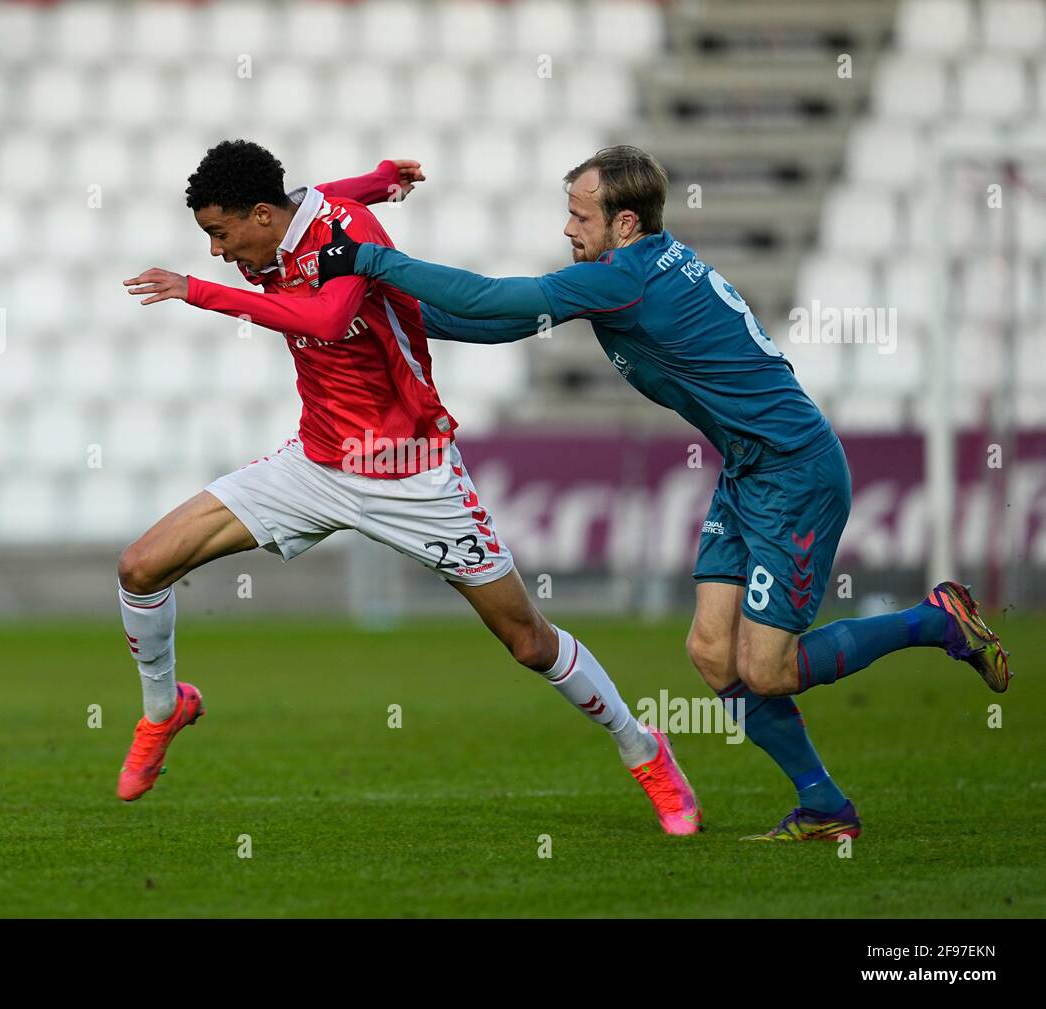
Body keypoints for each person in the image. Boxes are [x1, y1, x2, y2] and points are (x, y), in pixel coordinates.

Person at [316, 144, 1012, 841]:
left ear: (623, 223)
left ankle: (935, 620)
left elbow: (497, 298)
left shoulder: (626, 278)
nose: (567, 229)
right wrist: (391, 311)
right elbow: (500, 321)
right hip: (749, 467)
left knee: (767, 670)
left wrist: (373, 262)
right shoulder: (631, 271)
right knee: (713, 652)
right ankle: (825, 805)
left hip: (795, 472)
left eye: (578, 215)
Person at [114, 140, 701, 835]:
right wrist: (379, 179)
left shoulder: (345, 238)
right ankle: (165, 708)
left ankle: (645, 750)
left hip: (412, 473)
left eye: (220, 234)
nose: (216, 251)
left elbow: (328, 320)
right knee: (141, 566)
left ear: (263, 216)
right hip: (316, 463)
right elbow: (324, 193)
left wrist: (198, 292)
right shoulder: (296, 213)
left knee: (527, 641)